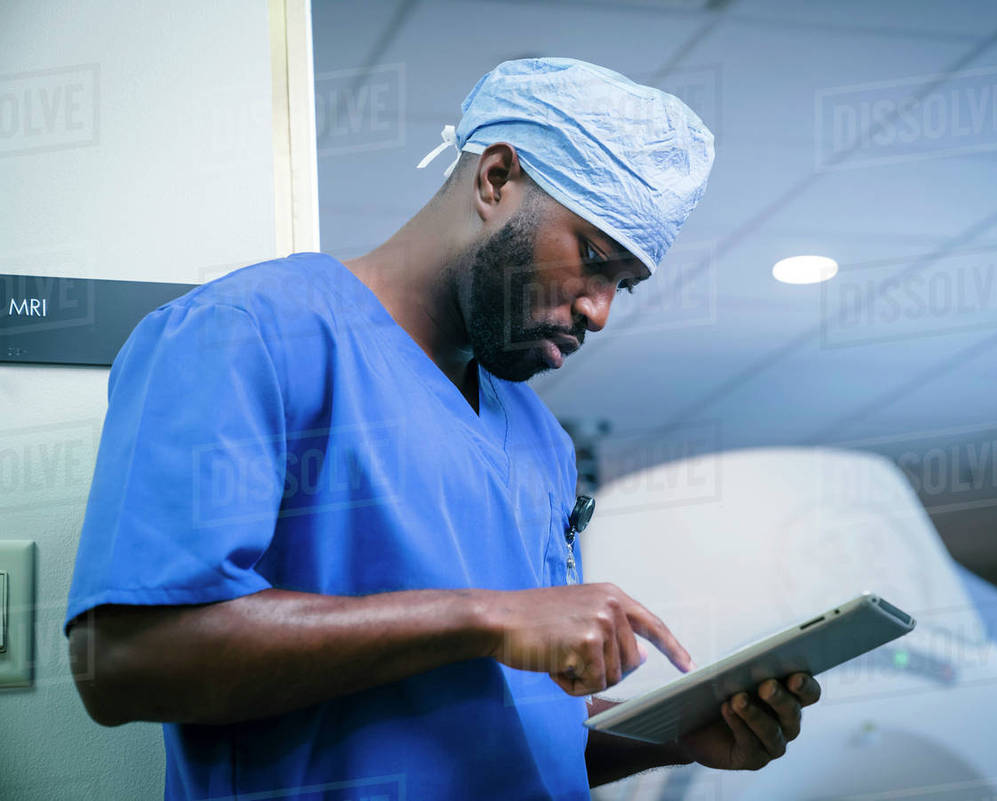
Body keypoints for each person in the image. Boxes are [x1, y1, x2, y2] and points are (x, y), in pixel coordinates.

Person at [63, 57, 820, 800]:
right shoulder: (246, 333)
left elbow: (508, 728)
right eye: (593, 259)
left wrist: (675, 735)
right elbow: (124, 659)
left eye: (623, 284)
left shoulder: (540, 440)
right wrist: (485, 615)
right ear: (495, 178)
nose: (600, 311)